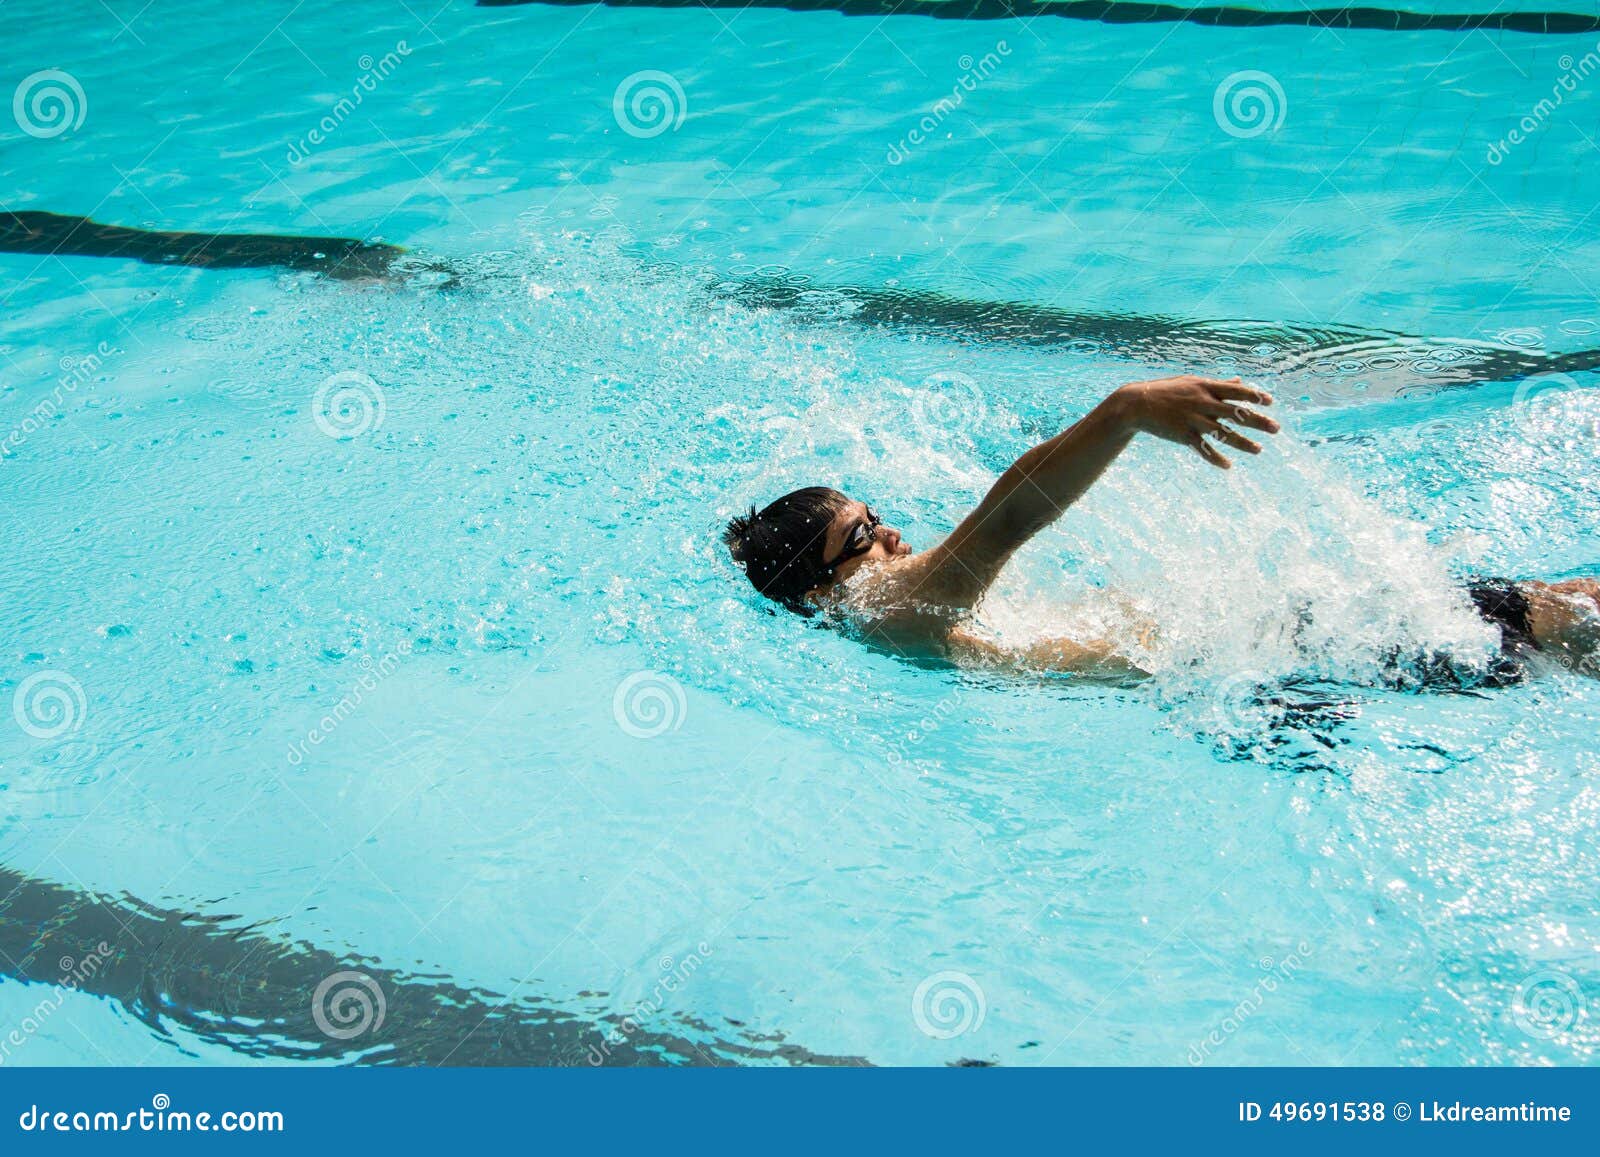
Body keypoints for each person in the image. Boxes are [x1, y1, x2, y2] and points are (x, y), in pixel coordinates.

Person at [721, 375, 1600, 680]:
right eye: (863, 535)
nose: (893, 536)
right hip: (1285, 656)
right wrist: (1129, 408)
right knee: (1554, 614)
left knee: (1553, 613)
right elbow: (1007, 514)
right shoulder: (887, 610)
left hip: (1263, 656)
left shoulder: (883, 618)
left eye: (876, 517)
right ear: (824, 586)